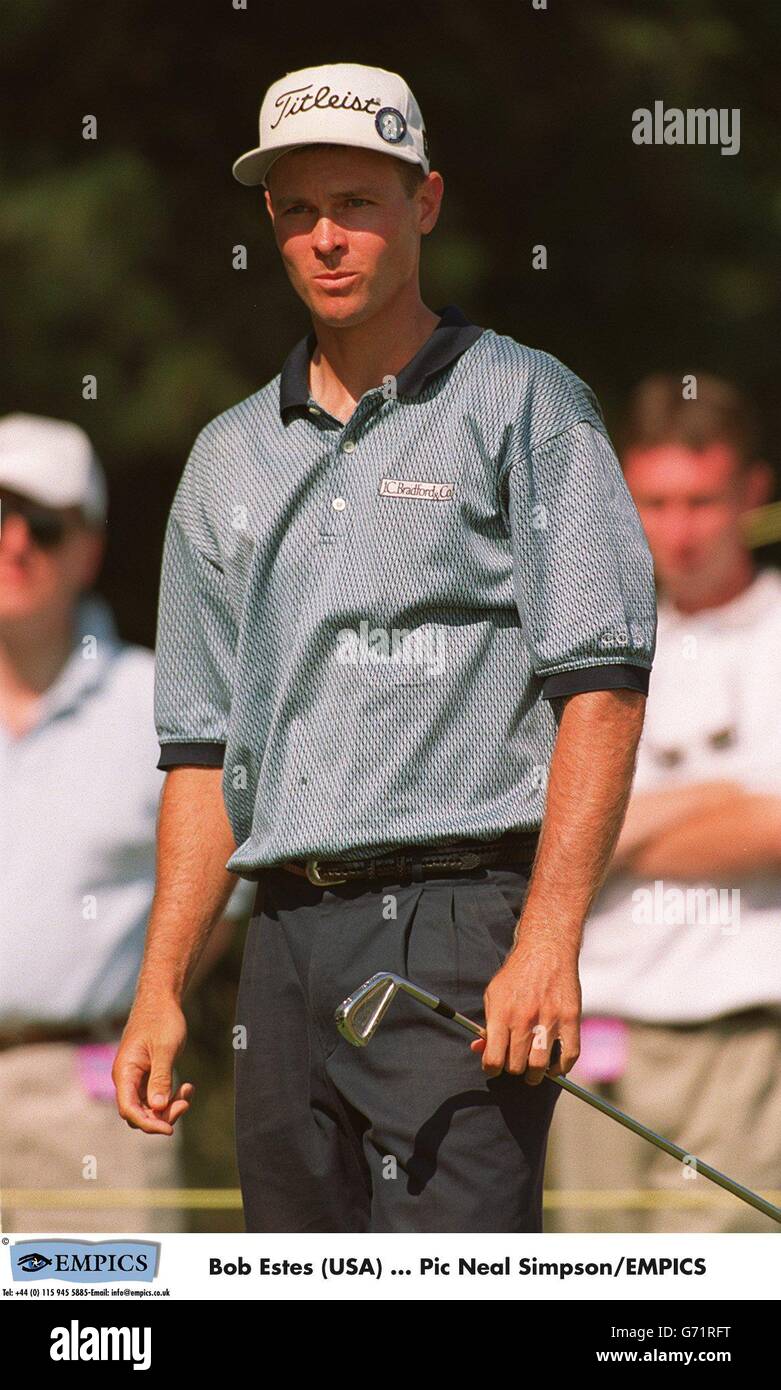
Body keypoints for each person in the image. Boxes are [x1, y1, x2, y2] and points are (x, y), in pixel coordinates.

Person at [115, 61, 657, 1234]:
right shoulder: (225, 456)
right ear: (271, 221)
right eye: (300, 209)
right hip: (281, 948)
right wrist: (160, 983)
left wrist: (549, 943)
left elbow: (602, 690)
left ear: (425, 201)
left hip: (460, 930)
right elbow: (203, 751)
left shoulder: (526, 401)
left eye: (358, 202)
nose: (327, 236)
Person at [0, 413, 253, 1234]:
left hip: (88, 1094)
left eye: (41, 524)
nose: (14, 544)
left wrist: (153, 994)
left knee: (103, 1337)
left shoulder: (160, 703)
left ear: (88, 549)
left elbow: (232, 884)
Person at [546, 374, 781, 1233]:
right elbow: (526, 829)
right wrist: (717, 798)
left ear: (751, 494)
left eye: (700, 501)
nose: (676, 532)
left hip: (739, 1043)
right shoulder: (592, 643)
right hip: (593, 1039)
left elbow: (772, 830)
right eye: (652, 502)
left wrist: (602, 825)